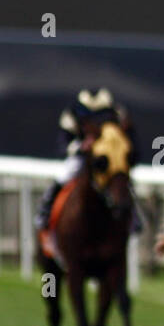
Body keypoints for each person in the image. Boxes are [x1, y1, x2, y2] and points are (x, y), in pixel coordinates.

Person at [34, 89, 137, 231]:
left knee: (122, 180)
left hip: (109, 156)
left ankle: (134, 218)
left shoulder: (119, 114)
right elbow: (62, 145)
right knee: (65, 174)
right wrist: (80, 147)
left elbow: (130, 141)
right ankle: (46, 211)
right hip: (83, 158)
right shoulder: (70, 117)